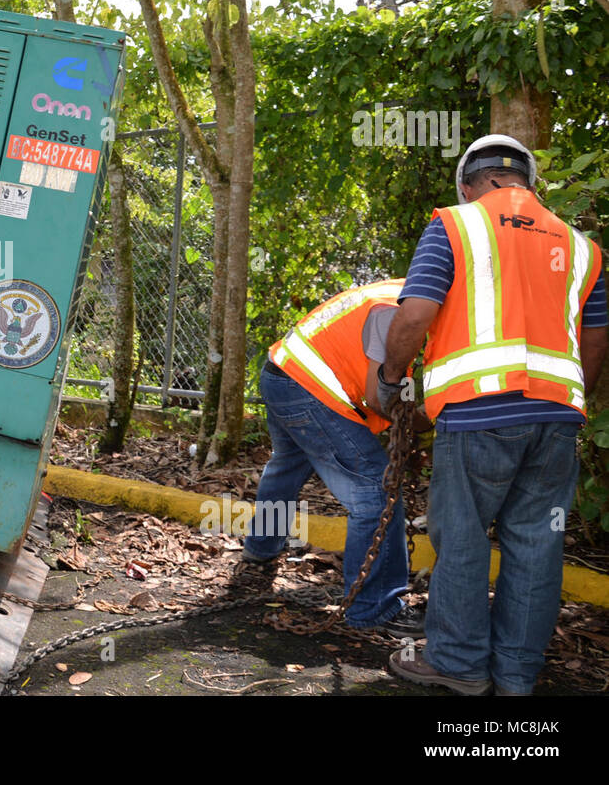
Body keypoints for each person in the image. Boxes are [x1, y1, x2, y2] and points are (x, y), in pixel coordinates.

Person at [380, 134, 608, 695]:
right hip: (556, 418)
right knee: (537, 543)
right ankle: (515, 675)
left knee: (462, 538)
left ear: (466, 183)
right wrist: (570, 399)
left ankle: (459, 665)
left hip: (477, 414)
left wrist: (391, 377)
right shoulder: (582, 247)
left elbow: (414, 315)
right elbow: (597, 337)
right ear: (530, 182)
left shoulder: (456, 225)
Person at [243, 277, 428, 638]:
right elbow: (379, 398)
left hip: (281, 372)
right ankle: (374, 608)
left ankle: (261, 548)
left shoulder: (401, 291)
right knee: (375, 491)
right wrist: (425, 417)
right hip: (308, 387)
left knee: (288, 463)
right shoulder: (398, 313)